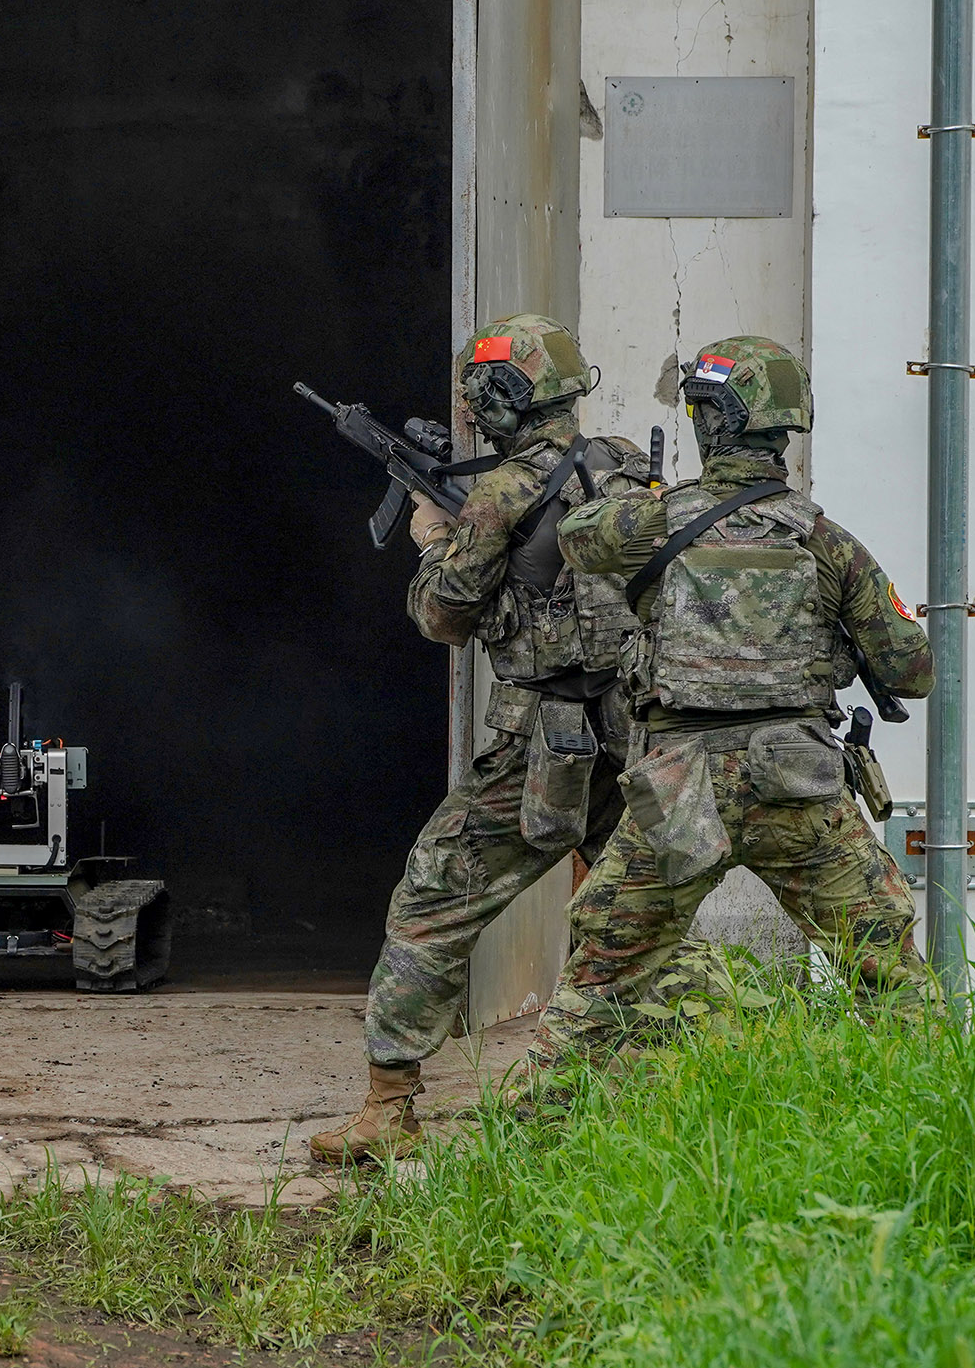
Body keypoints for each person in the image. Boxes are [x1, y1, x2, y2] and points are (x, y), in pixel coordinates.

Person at [531, 336, 933, 1067]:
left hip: (677, 786)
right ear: (784, 427)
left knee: (602, 976)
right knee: (890, 976)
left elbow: (575, 538)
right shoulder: (826, 541)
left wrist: (645, 500)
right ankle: (941, 1134)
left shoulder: (653, 523)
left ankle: (531, 1140)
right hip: (797, 788)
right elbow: (912, 670)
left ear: (709, 421)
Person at [308, 315, 650, 1162]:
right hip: (628, 734)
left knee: (429, 903)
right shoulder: (620, 465)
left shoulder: (500, 491)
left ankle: (388, 1110)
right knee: (637, 911)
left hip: (540, 740)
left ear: (505, 396)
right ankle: (646, 1089)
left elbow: (443, 614)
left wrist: (432, 534)